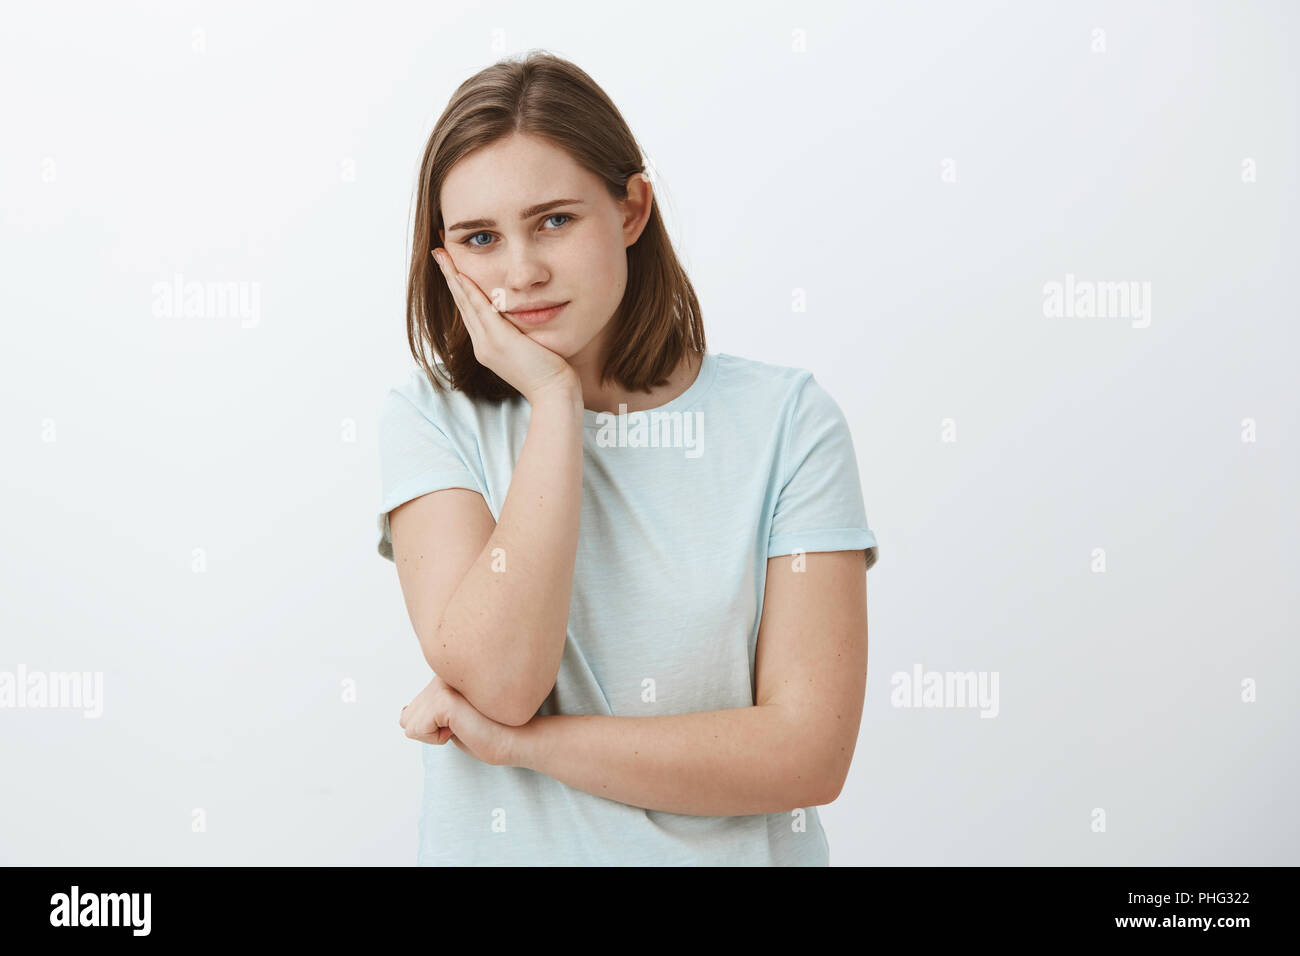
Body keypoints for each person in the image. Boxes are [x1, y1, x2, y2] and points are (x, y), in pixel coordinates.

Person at [379, 50, 878, 866]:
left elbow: (806, 754)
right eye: (479, 238)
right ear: (446, 258)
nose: (521, 272)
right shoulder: (432, 421)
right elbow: (504, 681)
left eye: (554, 220)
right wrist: (554, 402)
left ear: (632, 210)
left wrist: (526, 748)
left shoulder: (787, 423)